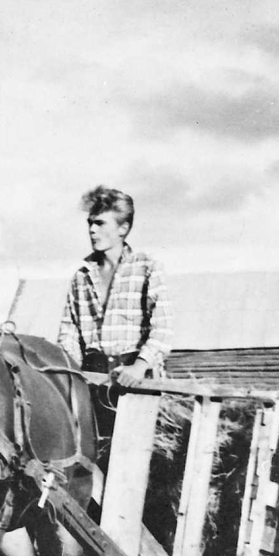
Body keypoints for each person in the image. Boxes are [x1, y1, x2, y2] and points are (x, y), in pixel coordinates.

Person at [57, 185, 172, 445]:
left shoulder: (147, 268)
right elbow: (69, 331)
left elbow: (162, 330)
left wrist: (140, 366)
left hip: (136, 381)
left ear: (123, 228)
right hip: (90, 381)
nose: (92, 230)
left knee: (133, 456)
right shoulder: (81, 276)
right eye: (89, 223)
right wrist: (71, 372)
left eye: (99, 223)